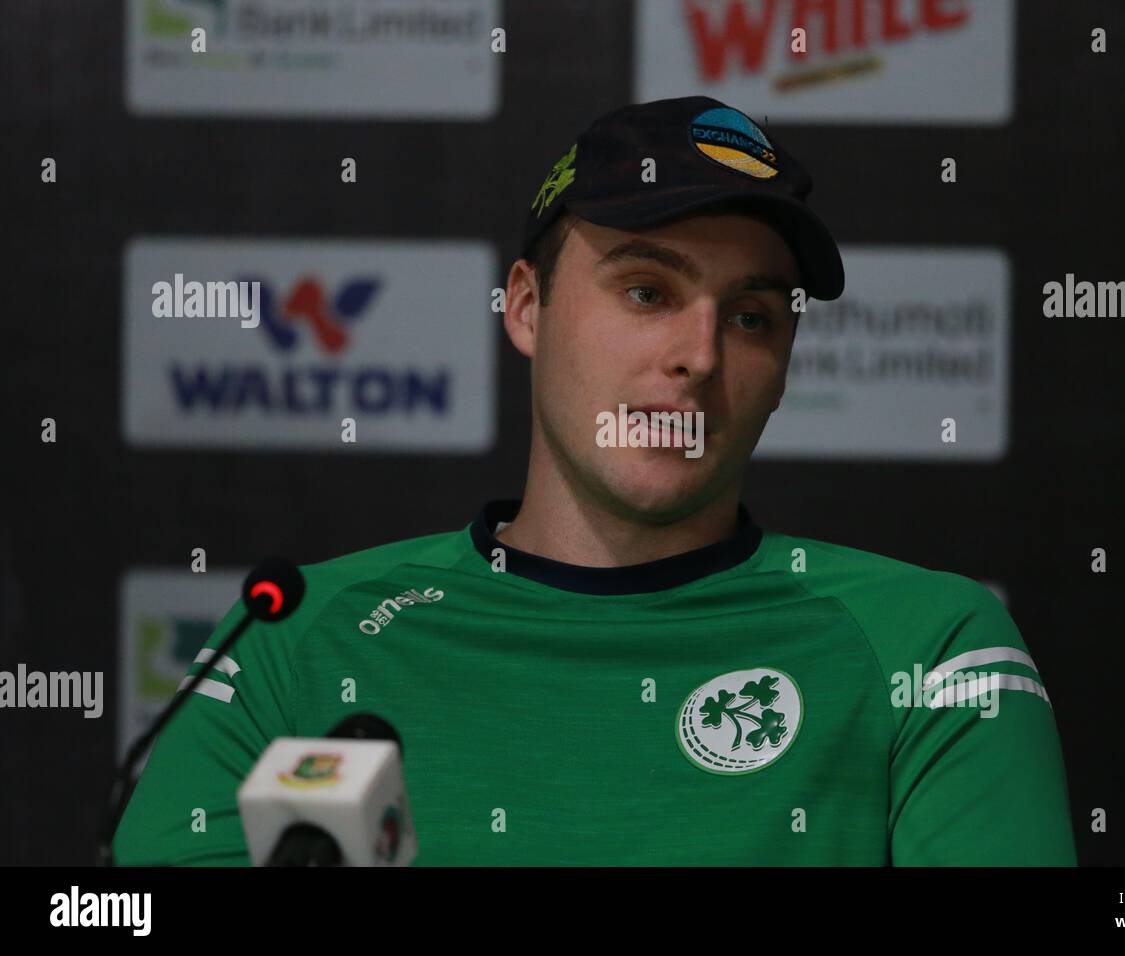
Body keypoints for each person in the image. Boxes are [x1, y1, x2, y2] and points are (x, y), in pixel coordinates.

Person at [113, 95, 1075, 865]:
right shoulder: (288, 639)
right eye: (648, 291)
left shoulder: (934, 649)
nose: (698, 356)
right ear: (528, 308)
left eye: (751, 316)